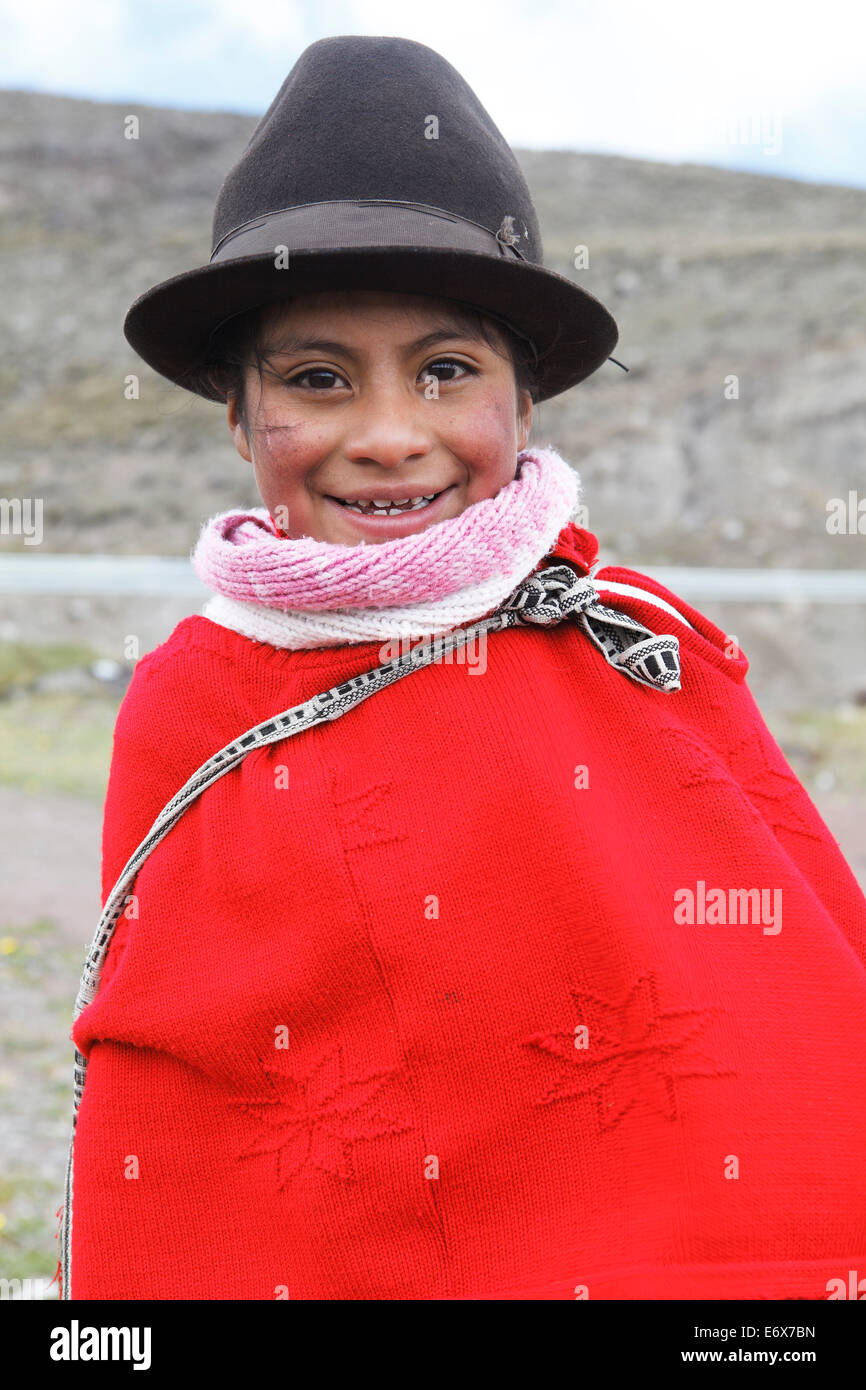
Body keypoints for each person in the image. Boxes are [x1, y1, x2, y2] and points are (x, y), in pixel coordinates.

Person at [57, 35, 866, 1302]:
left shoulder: (636, 650)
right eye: (316, 380)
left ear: (522, 402)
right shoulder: (186, 706)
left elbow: (793, 1033)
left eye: (446, 372)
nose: (389, 435)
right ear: (235, 415)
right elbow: (175, 1112)